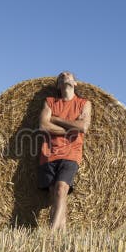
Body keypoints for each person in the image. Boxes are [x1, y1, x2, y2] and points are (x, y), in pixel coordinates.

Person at [37, 71, 92, 230]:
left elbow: (83, 126)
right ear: (58, 85)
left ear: (75, 83)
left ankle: (51, 233)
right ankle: (62, 234)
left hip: (71, 153)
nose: (65, 75)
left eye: (69, 74)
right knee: (56, 194)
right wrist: (70, 129)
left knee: (61, 189)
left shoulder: (83, 103)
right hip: (48, 153)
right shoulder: (50, 102)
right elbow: (43, 126)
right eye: (61, 75)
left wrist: (56, 120)